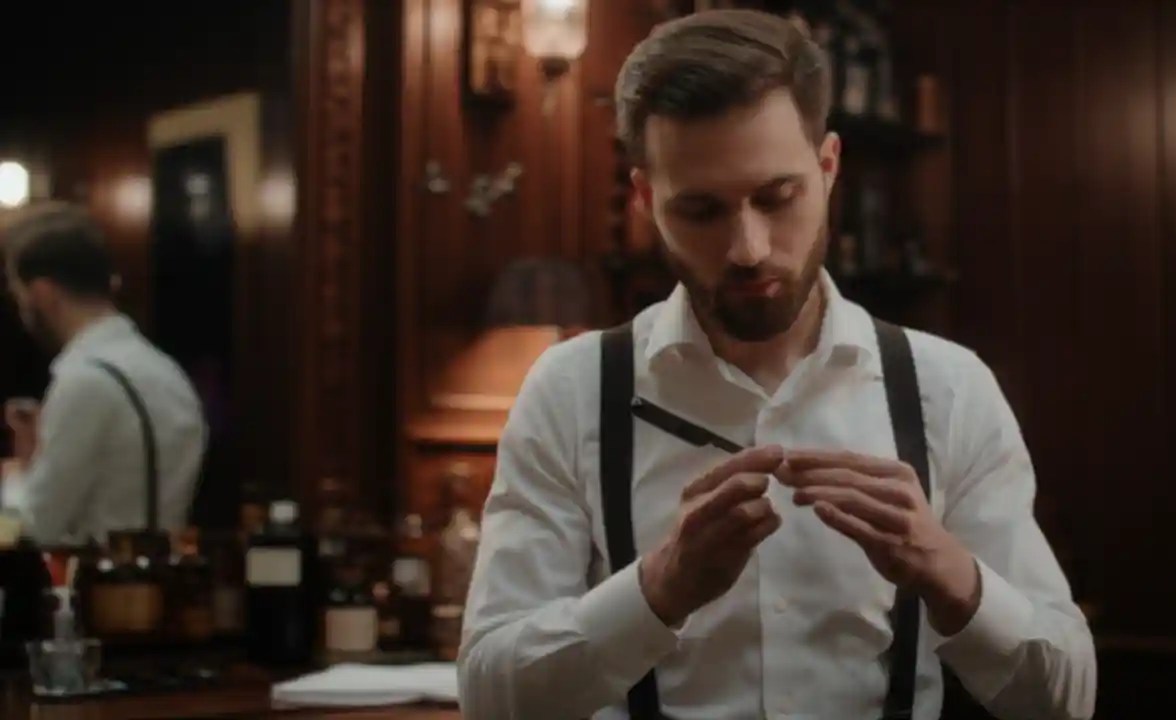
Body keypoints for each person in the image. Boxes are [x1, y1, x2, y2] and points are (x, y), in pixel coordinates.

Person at [459, 9, 1095, 720]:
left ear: (828, 167)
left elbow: (1064, 700)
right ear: (644, 199)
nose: (749, 249)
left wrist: (951, 574)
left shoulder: (948, 389)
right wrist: (657, 590)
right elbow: (490, 698)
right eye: (701, 210)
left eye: (777, 197)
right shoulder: (571, 392)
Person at [1, 202, 207, 546]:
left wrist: (16, 478)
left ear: (42, 294)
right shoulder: (164, 371)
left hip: (101, 572)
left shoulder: (86, 380)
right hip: (163, 566)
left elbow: (34, 526)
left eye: (19, 296)